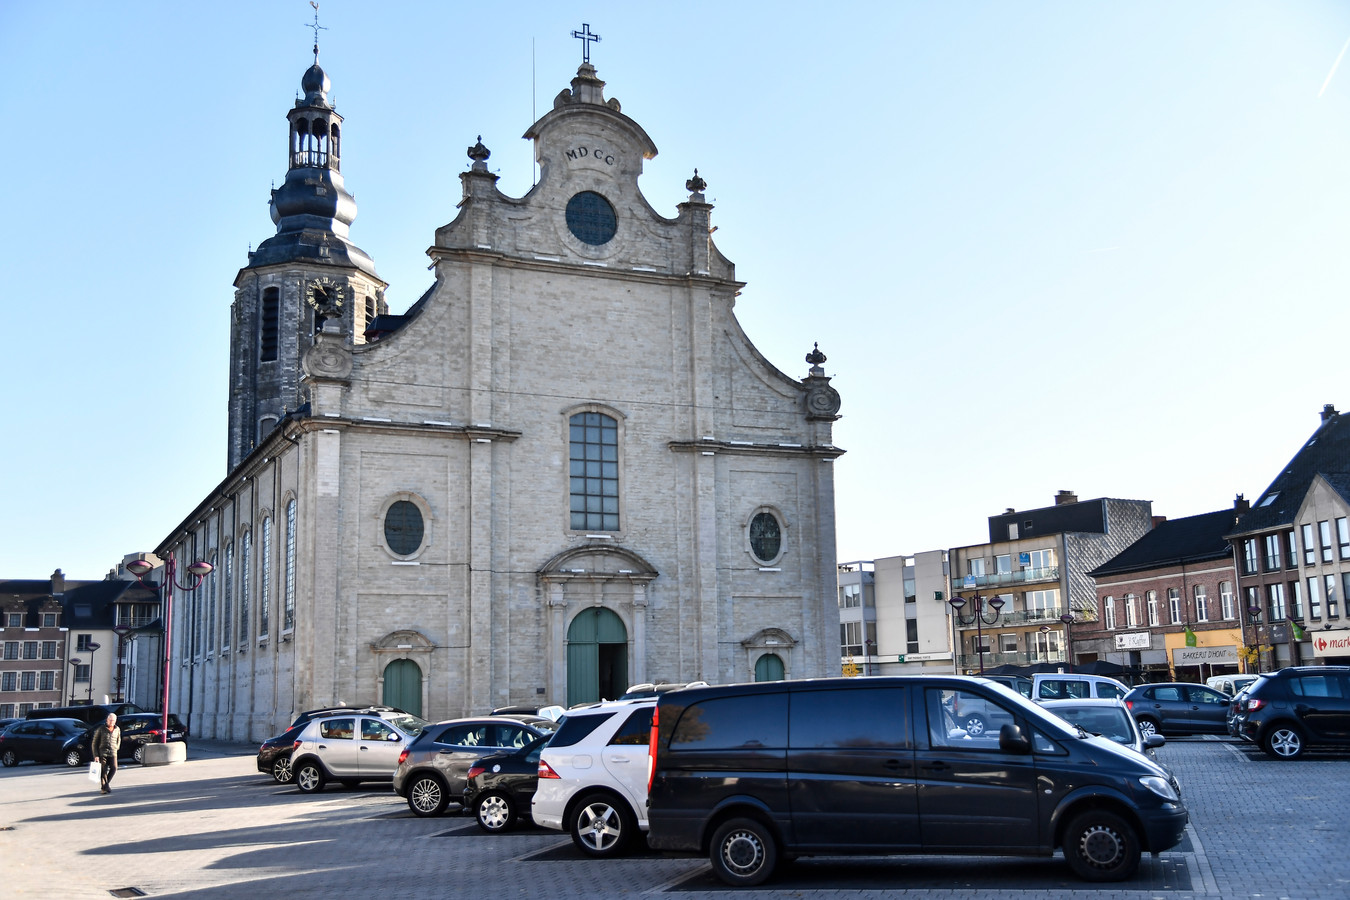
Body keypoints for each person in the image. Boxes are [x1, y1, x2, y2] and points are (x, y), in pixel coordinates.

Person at [90, 713, 121, 794]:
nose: (111, 722)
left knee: (114, 768)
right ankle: (105, 787)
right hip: (102, 752)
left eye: (113, 720)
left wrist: (116, 747)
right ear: (107, 720)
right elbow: (94, 743)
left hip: (113, 752)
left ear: (115, 721)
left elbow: (119, 739)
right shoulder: (101, 729)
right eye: (110, 720)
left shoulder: (117, 729)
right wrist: (96, 755)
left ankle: (105, 786)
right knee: (103, 770)